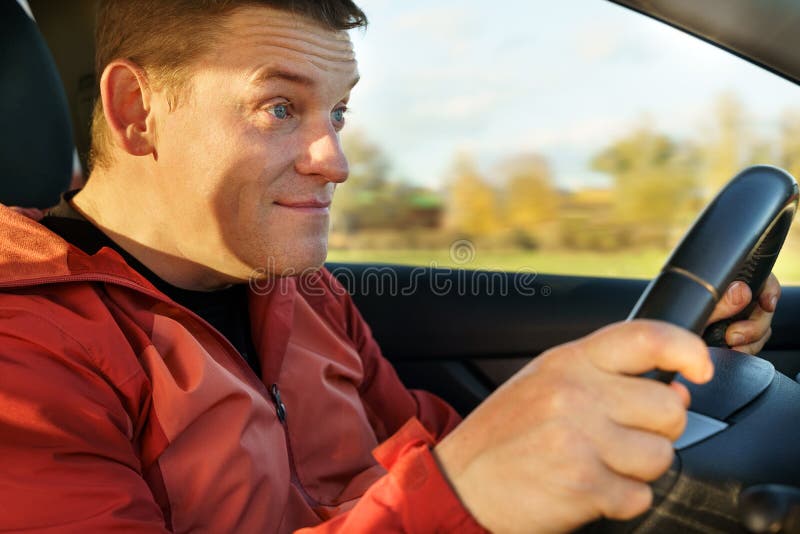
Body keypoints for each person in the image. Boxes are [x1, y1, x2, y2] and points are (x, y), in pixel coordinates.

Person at [0, 1, 780, 532]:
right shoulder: (24, 351)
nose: (335, 161)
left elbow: (412, 449)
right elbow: (443, 485)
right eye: (280, 108)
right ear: (137, 113)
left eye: (337, 112)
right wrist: (463, 493)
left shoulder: (304, 294)